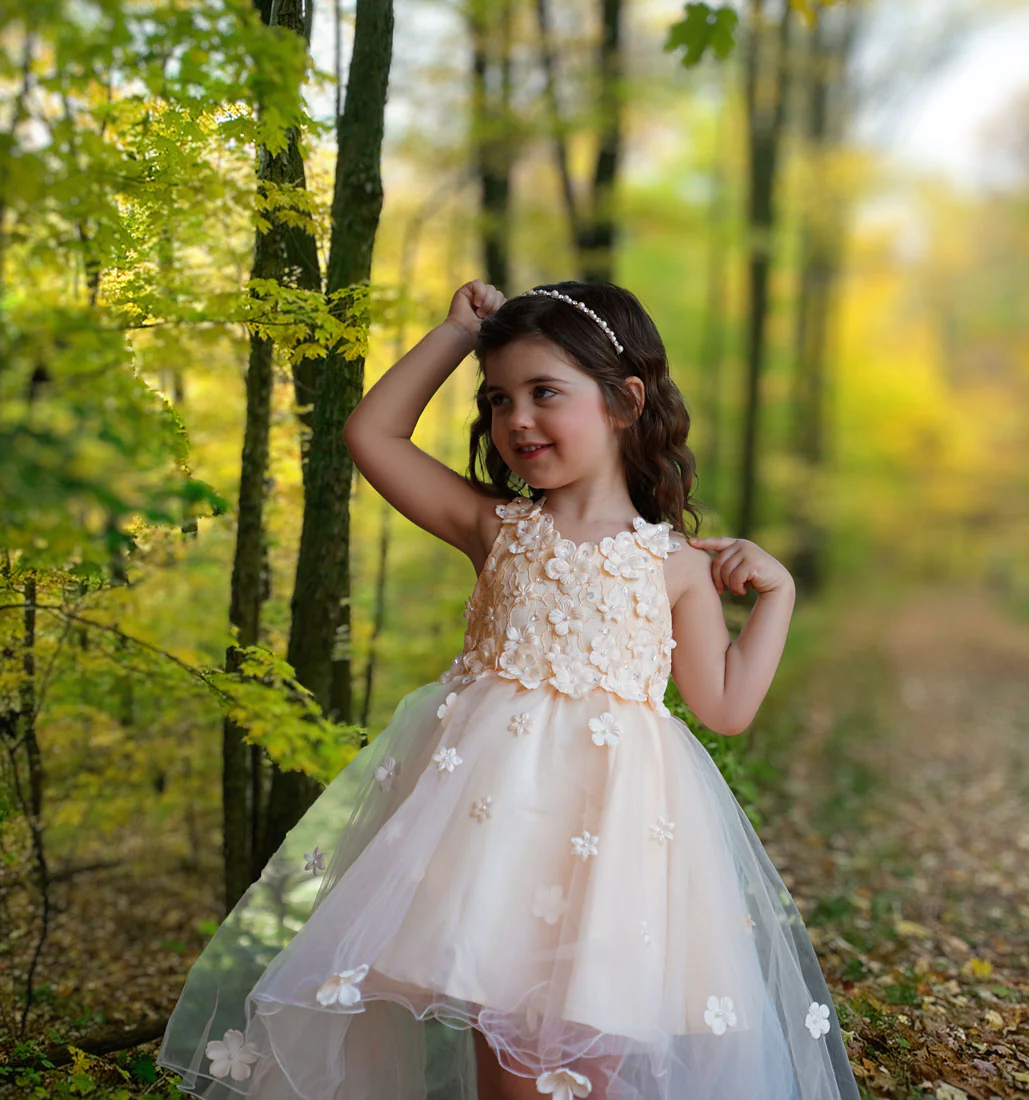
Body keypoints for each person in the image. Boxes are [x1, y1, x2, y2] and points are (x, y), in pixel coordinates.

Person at [156, 279, 861, 1100]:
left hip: (612, 846)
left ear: (626, 401)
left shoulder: (675, 565)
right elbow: (371, 434)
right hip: (494, 839)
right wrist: (455, 335)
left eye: (544, 393)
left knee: (584, 1069)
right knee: (511, 1072)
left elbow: (726, 707)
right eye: (497, 400)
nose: (516, 418)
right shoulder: (496, 528)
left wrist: (778, 596)